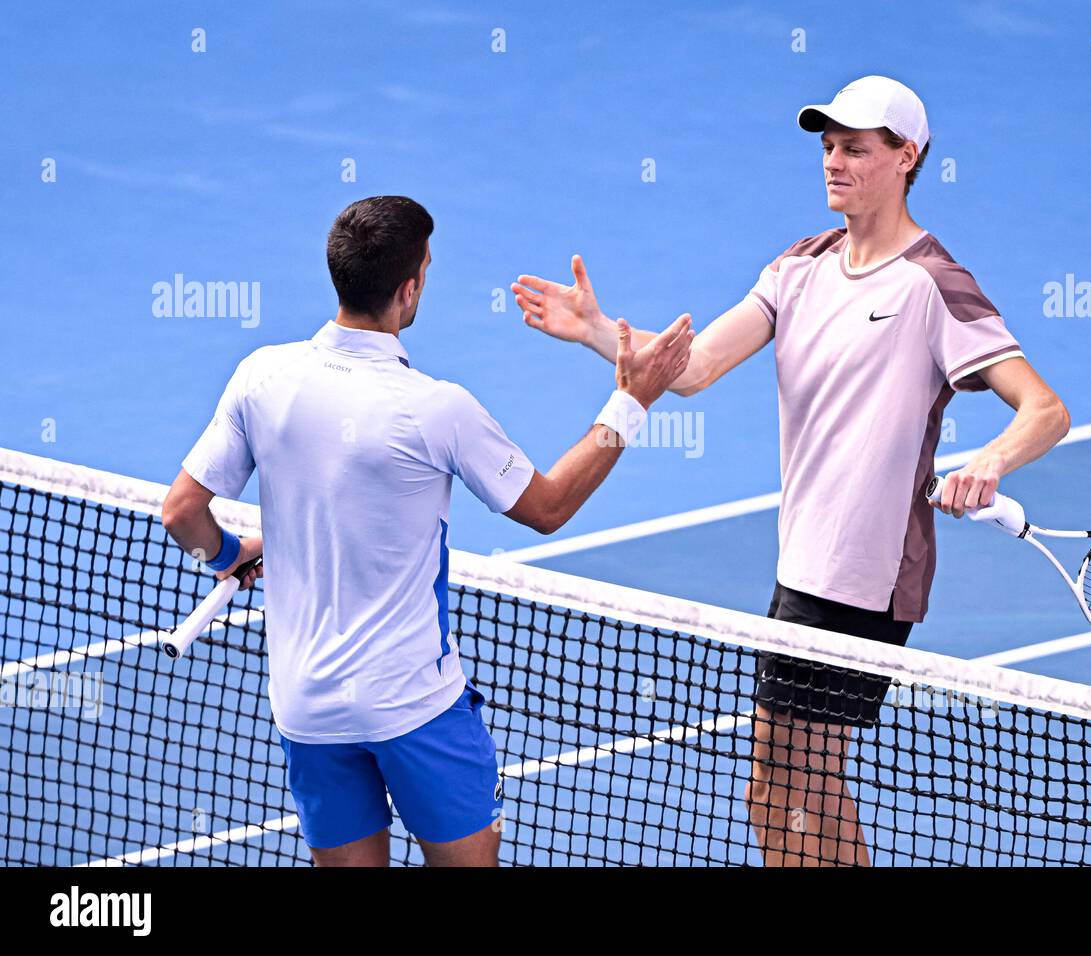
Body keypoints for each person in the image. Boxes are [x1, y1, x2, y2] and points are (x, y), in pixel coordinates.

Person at [510, 76, 1071, 866]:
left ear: (907, 157)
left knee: (787, 782)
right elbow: (697, 367)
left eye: (856, 149)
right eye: (829, 147)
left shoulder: (934, 285)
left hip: (866, 573)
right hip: (805, 562)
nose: (834, 163)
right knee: (797, 782)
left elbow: (1044, 410)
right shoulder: (799, 266)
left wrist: (990, 460)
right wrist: (601, 333)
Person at [161, 195, 693, 867]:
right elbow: (549, 507)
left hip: (309, 709)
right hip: (416, 709)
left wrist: (230, 552)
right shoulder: (437, 409)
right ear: (409, 288)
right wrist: (633, 401)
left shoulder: (261, 376)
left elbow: (183, 512)